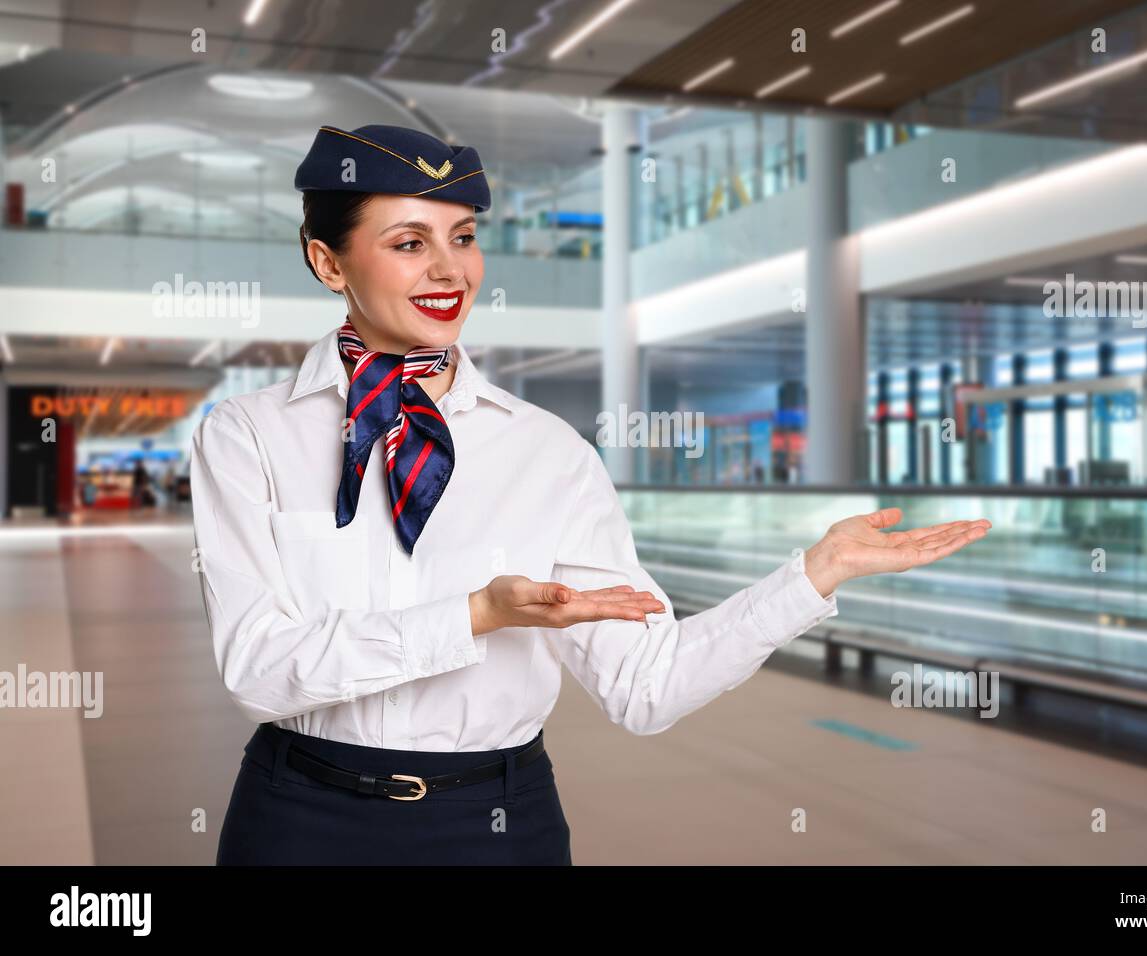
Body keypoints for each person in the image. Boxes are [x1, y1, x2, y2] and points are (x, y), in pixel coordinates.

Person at [189, 123, 990, 866]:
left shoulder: (548, 453)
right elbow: (258, 669)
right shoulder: (249, 436)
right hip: (300, 819)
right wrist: (477, 616)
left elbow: (646, 687)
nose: (449, 270)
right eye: (409, 242)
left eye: (464, 238)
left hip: (496, 823)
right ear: (327, 261)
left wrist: (811, 576)